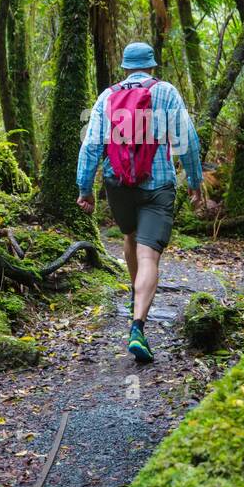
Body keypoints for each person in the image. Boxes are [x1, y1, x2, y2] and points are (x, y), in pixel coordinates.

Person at [76, 41, 203, 362]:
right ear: (152, 66)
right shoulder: (166, 92)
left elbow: (91, 145)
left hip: (117, 184)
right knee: (150, 257)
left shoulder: (107, 97)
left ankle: (137, 297)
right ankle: (138, 325)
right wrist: (195, 182)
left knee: (130, 237)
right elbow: (187, 140)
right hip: (158, 185)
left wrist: (85, 188)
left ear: (125, 67)